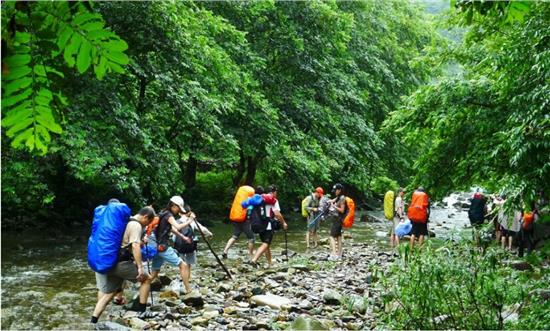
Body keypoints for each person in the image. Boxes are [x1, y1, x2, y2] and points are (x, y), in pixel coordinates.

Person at [91, 206, 156, 324]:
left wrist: (141, 242)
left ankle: (93, 321)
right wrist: (140, 267)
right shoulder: (136, 225)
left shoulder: (124, 220)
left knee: (108, 294)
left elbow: (125, 241)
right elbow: (135, 246)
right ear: (145, 217)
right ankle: (142, 312)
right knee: (147, 279)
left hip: (110, 262)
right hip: (122, 264)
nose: (147, 225)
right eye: (148, 222)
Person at [149, 196, 196, 294]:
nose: (178, 210)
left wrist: (182, 237)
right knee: (183, 265)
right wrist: (190, 221)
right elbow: (178, 226)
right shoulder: (169, 215)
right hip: (163, 247)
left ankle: (143, 286)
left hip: (156, 246)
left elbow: (171, 229)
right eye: (178, 208)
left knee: (154, 272)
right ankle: (188, 290)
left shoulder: (163, 213)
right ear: (173, 205)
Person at [173, 210, 213, 293]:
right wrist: (209, 234)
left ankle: (184, 283)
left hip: (179, 247)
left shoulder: (176, 222)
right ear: (189, 213)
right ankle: (187, 281)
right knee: (188, 264)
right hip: (190, 246)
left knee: (182, 265)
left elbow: (173, 236)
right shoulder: (192, 222)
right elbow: (202, 229)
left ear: (179, 213)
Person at [250, 185, 288, 268]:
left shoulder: (260, 199)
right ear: (274, 192)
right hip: (268, 225)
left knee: (266, 244)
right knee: (266, 244)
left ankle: (270, 263)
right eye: (276, 192)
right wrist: (284, 223)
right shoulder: (273, 200)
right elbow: (277, 214)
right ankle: (254, 260)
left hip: (258, 224)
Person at [222, 186, 259, 261]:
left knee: (234, 236)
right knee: (251, 238)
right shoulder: (251, 200)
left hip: (236, 219)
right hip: (245, 221)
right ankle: (250, 255)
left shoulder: (239, 201)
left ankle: (225, 251)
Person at [328, 183, 346, 260]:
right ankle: (339, 254)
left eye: (336, 190)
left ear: (339, 190)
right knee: (338, 236)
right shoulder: (338, 197)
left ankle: (334, 254)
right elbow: (333, 200)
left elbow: (342, 210)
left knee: (331, 236)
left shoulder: (342, 198)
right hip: (337, 219)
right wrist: (330, 201)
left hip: (338, 219)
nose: (335, 192)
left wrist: (334, 206)